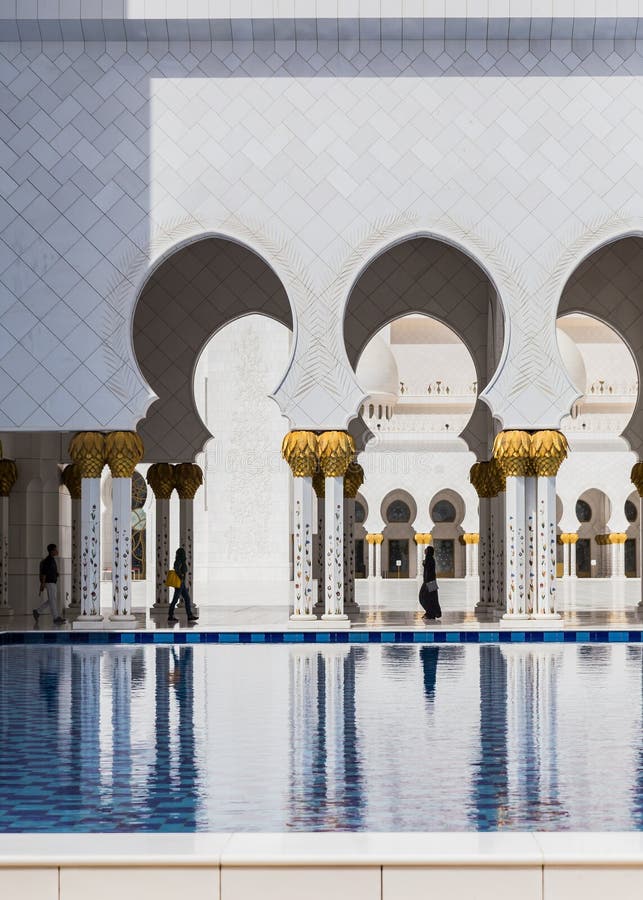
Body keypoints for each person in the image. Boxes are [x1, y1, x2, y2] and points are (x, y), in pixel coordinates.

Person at [33, 543, 65, 624]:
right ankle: (56, 617)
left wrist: (56, 573)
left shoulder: (52, 559)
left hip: (52, 582)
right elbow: (44, 573)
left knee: (52, 600)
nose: (57, 551)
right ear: (51, 551)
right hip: (49, 582)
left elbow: (50, 571)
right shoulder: (48, 560)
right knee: (52, 600)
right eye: (55, 550)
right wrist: (43, 584)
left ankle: (37, 611)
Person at [168, 547, 198, 623]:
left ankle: (190, 616)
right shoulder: (178, 560)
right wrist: (181, 576)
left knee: (187, 599)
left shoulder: (181, 560)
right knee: (175, 599)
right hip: (179, 583)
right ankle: (170, 616)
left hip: (182, 583)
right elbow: (176, 569)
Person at [419, 545, 441, 620]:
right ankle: (431, 613)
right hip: (430, 582)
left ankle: (431, 613)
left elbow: (429, 571)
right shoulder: (429, 559)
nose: (424, 550)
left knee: (425, 598)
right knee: (430, 598)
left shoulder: (429, 559)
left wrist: (424, 564)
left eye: (426, 549)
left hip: (429, 582)